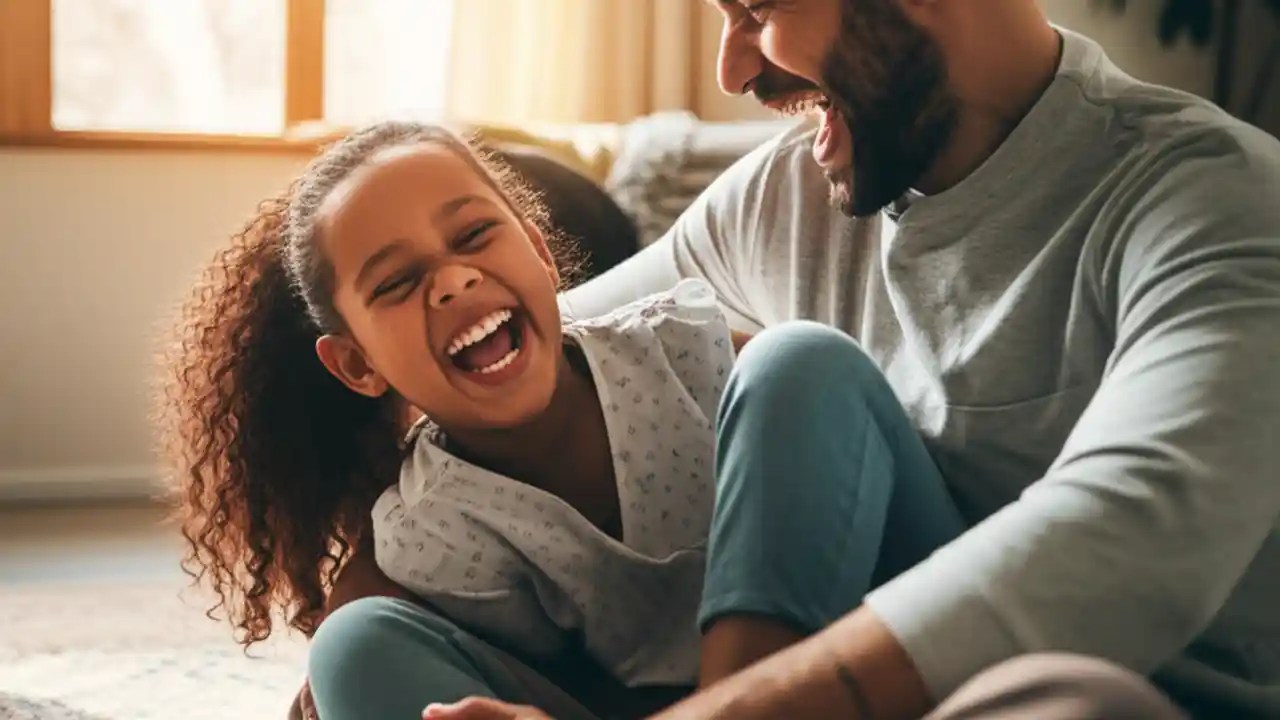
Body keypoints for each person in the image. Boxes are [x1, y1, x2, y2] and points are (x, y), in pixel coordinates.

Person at [427, 0, 1280, 718]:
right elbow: (513, 358)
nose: (733, 70)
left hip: (1118, 697)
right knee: (373, 646)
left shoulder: (1220, 201)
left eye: (759, 10)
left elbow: (1130, 541)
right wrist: (358, 547)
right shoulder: (782, 200)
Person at [161, 121, 912, 720]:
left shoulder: (684, 353)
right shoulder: (440, 524)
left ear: (541, 252)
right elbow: (358, 629)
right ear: (358, 366)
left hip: (880, 655)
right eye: (397, 282)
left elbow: (827, 419)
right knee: (352, 651)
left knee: (800, 360)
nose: (453, 279)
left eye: (474, 236)